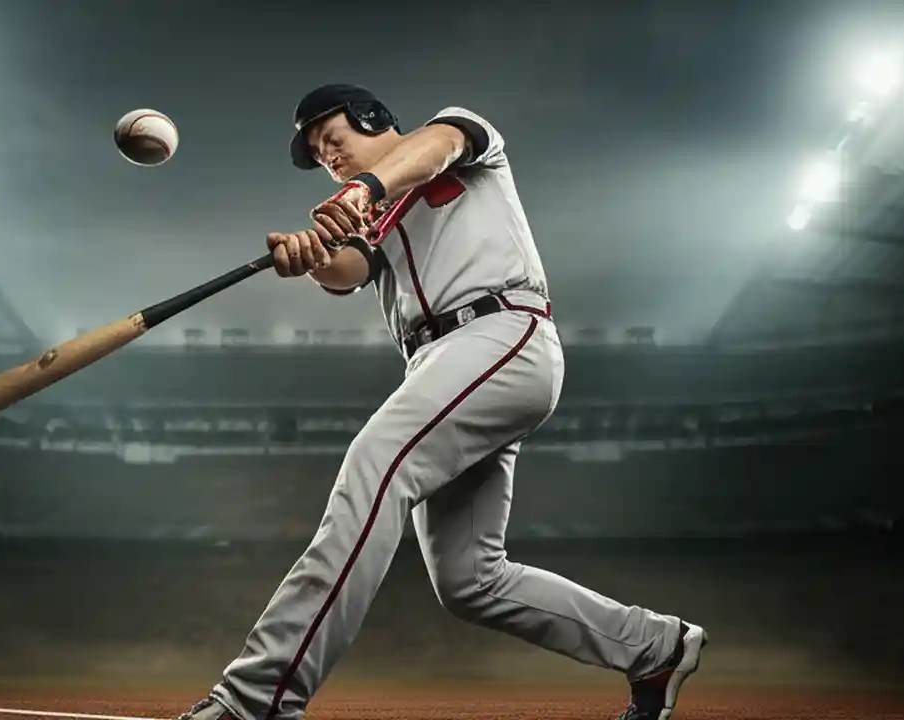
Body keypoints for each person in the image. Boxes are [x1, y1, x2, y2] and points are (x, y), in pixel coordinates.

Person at [177, 84, 707, 720]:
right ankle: (655, 647)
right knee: (470, 581)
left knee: (378, 462)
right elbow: (348, 271)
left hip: (501, 331)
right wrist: (310, 259)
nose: (326, 155)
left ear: (372, 117)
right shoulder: (372, 212)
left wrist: (362, 190)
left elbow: (433, 149)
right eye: (316, 152)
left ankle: (255, 700)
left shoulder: (454, 133)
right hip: (441, 364)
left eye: (331, 136)